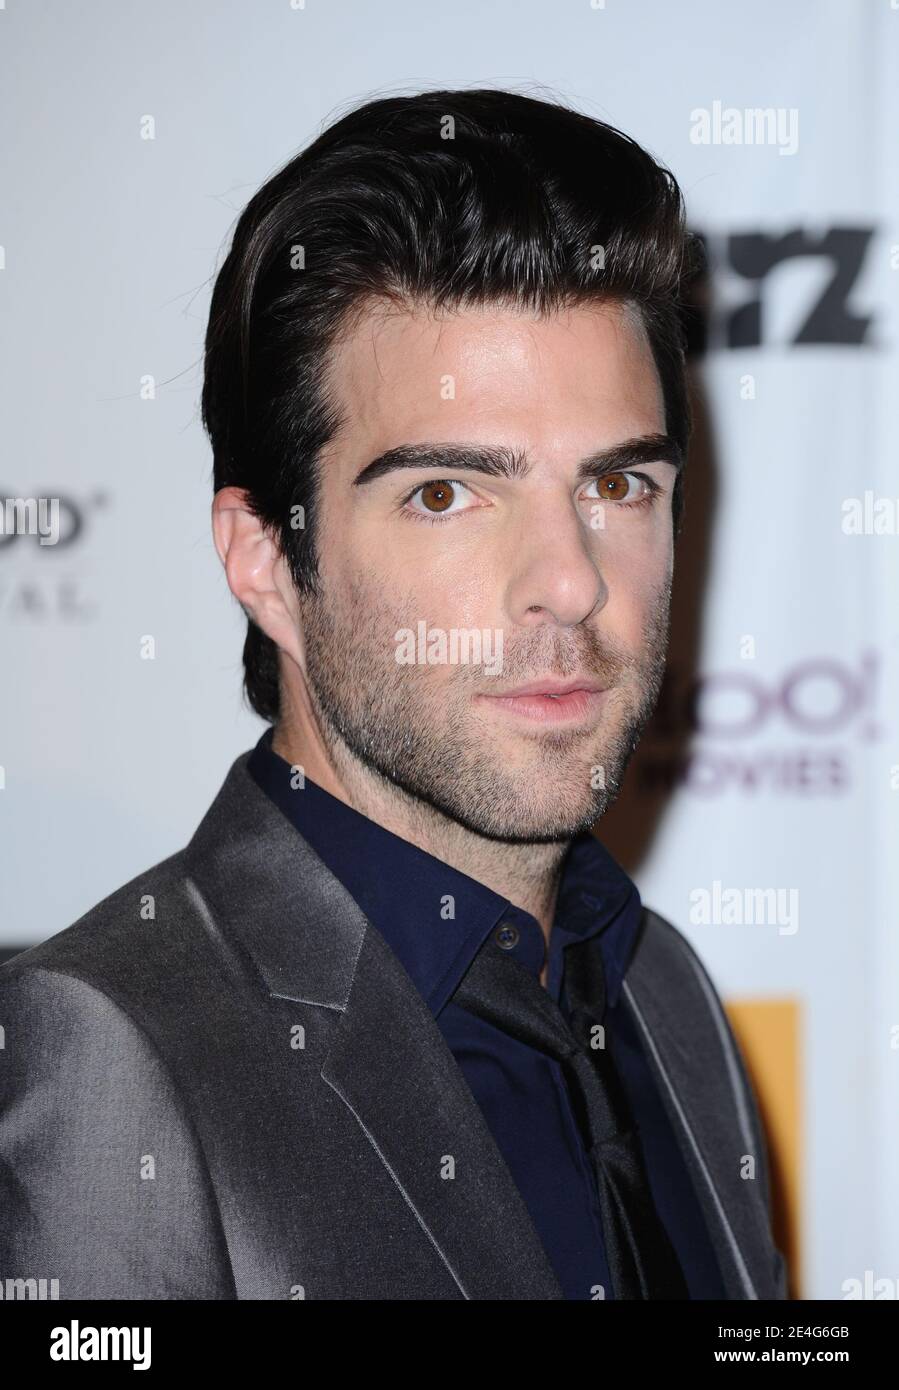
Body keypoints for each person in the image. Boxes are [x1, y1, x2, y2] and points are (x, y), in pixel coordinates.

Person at [0, 88, 787, 1300]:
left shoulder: (659, 991)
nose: (568, 583)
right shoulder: (114, 1047)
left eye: (618, 485)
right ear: (266, 559)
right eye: (443, 494)